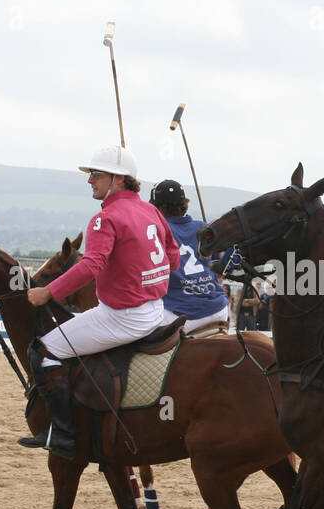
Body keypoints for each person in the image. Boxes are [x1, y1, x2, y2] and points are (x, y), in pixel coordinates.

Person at [17, 146, 178, 458]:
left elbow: (91, 266)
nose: (90, 180)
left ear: (118, 179)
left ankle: (61, 435)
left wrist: (48, 293)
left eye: (96, 174)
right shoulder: (151, 210)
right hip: (157, 311)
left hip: (123, 316)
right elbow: (172, 259)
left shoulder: (104, 219)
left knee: (43, 351)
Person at [148, 179, 231, 334]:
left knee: (135, 331)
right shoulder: (203, 227)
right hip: (219, 308)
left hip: (183, 316)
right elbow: (218, 264)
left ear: (159, 208)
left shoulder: (157, 232)